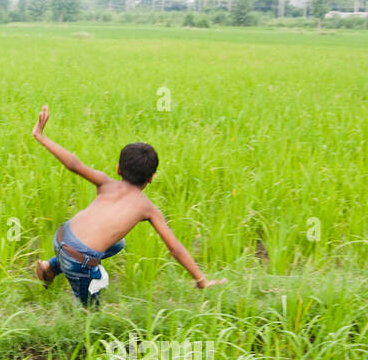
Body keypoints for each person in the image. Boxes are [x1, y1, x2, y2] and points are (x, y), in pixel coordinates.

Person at [30, 104, 224, 305]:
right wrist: (201, 280)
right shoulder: (147, 208)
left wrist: (41, 135)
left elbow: (73, 164)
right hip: (79, 260)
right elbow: (175, 248)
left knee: (118, 243)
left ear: (118, 169)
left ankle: (50, 268)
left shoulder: (105, 182)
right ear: (151, 177)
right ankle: (74, 286)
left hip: (61, 236)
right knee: (91, 319)